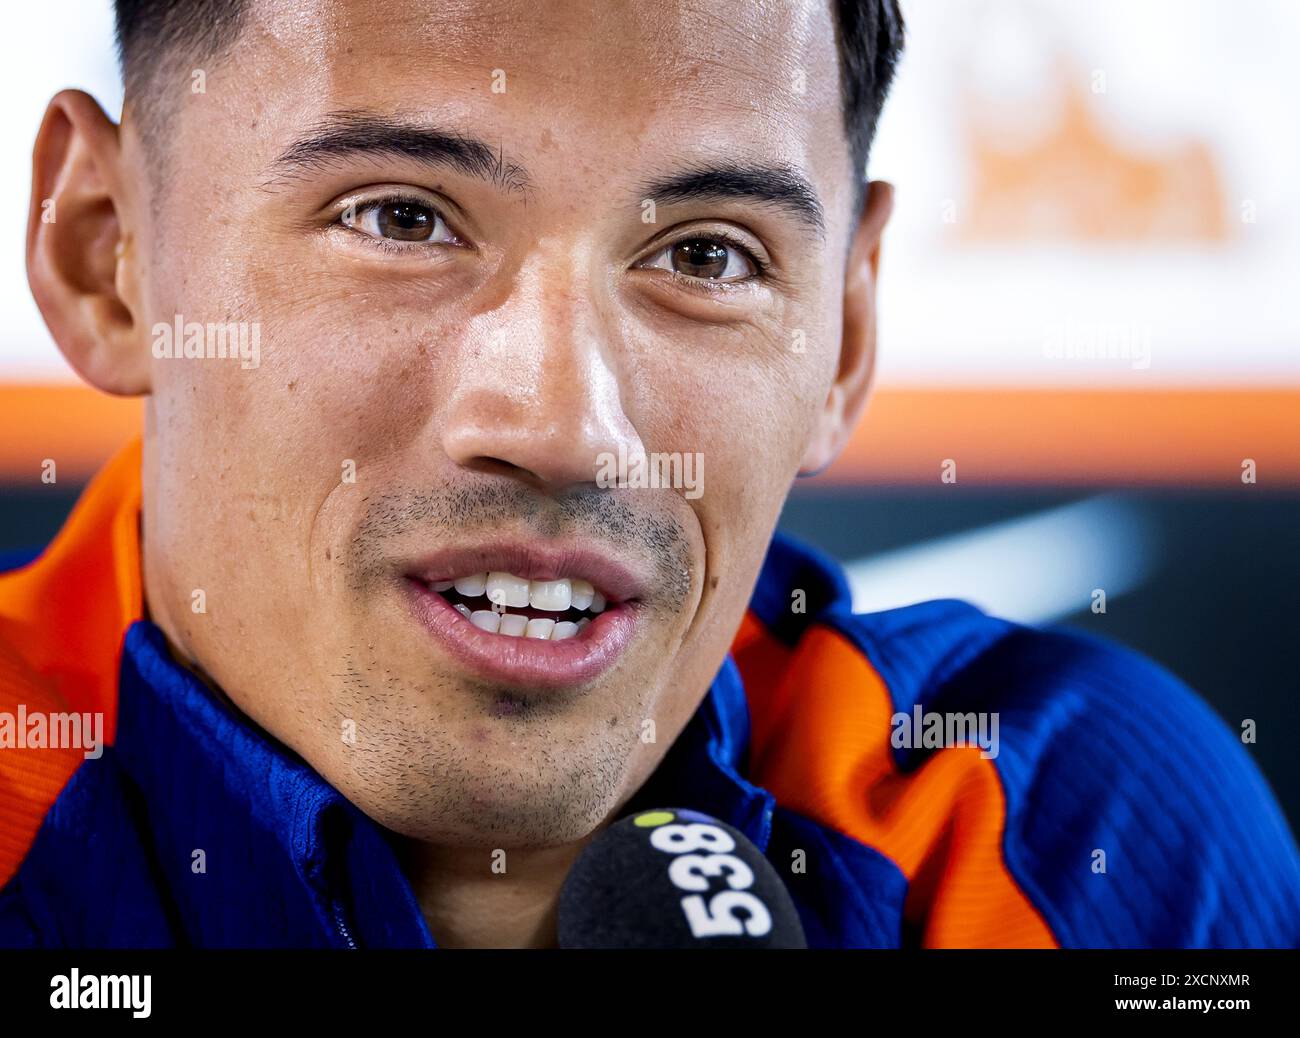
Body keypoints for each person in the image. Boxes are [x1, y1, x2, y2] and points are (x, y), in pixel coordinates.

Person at [1, 0, 1296, 948]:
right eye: (401, 217)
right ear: (101, 252)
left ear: (844, 332)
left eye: (708, 255)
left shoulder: (1079, 845)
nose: (569, 425)